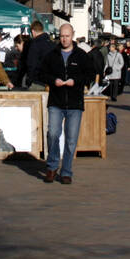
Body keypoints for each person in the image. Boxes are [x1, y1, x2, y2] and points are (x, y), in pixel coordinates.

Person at [41, 23, 94, 184]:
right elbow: (42, 73)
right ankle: (52, 165)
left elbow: (90, 74)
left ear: (73, 36)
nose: (64, 39)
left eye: (67, 36)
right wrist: (53, 81)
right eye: (62, 36)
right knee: (53, 134)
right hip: (56, 101)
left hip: (74, 103)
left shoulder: (81, 55)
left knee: (71, 139)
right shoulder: (52, 55)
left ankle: (66, 171)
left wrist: (75, 81)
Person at [23, 20, 54, 87]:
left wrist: (29, 80)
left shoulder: (35, 44)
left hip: (38, 81)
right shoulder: (52, 44)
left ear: (33, 31)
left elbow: (31, 64)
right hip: (51, 81)